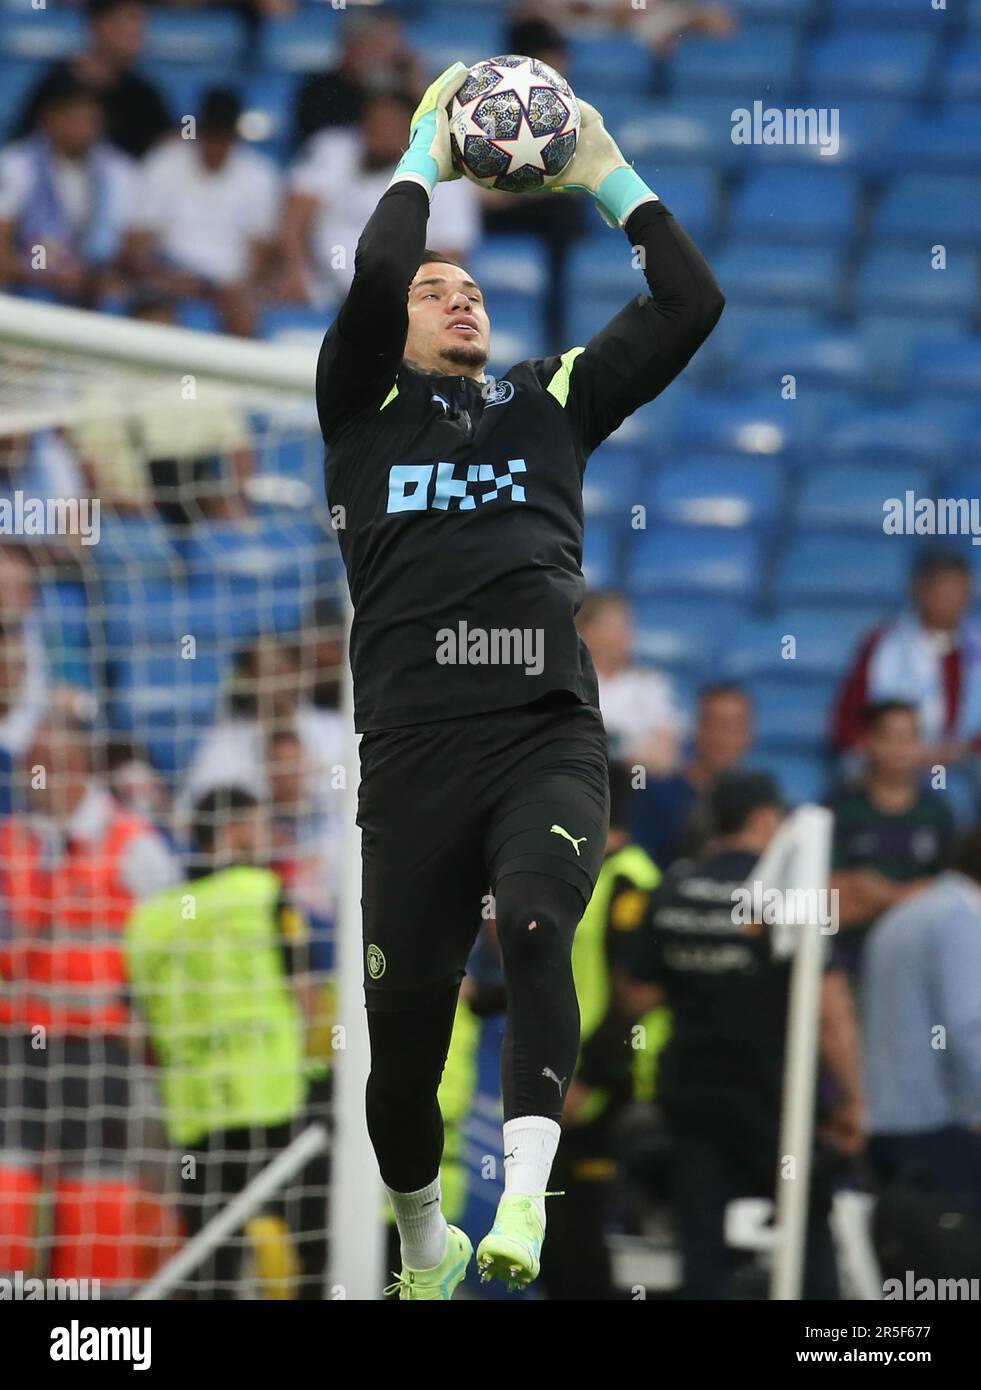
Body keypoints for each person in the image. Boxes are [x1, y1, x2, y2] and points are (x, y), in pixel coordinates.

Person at [317, 61, 723, 1298]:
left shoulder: (550, 400)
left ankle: (528, 1202)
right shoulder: (360, 409)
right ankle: (423, 1237)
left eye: (474, 287)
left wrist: (607, 173)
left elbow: (692, 300)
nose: (459, 297)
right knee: (404, 1053)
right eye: (439, 289)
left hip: (544, 731)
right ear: (393, 327)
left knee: (542, 929)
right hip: (412, 758)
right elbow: (380, 269)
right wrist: (428, 156)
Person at [624, 771, 864, 1299]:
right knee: (807, 1227)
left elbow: (637, 996)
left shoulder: (675, 886)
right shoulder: (793, 895)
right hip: (774, 1095)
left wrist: (706, 974)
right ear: (763, 820)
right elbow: (831, 1012)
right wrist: (851, 1099)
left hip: (691, 1091)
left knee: (701, 1242)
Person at [0, 696, 179, 1288]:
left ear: (80, 763)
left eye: (44, 760)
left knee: (95, 1186)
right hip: (15, 1041)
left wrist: (146, 1019)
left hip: (98, 1048)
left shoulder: (135, 844)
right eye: (29, 762)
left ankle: (91, 1309)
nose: (32, 775)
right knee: (8, 1180)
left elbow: (179, 947)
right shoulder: (10, 841)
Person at [125, 788, 330, 1298]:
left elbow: (139, 1034)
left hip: (196, 1119)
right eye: (259, 823)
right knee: (310, 1251)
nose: (267, 835)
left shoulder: (148, 921)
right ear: (236, 828)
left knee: (210, 1263)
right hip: (276, 1109)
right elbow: (305, 996)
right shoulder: (265, 893)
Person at [539, 760, 662, 1300]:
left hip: (610, 1080)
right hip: (575, 1073)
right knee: (557, 1232)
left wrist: (591, 1076)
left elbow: (634, 996)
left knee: (583, 1232)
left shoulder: (631, 882)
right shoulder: (594, 873)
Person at [861, 829, 981, 1218]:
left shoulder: (911, 911)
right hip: (938, 1123)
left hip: (888, 1118)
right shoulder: (959, 921)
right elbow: (967, 1029)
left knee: (914, 1263)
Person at [279, 89, 479, 312]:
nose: (377, 131)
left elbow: (450, 253)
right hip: (316, 290)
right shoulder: (334, 149)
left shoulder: (442, 178)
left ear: (412, 132)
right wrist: (293, 271)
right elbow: (295, 215)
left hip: (394, 304)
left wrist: (405, 299)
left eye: (389, 125)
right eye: (372, 122)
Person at [122, 88, 280, 338]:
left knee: (244, 312)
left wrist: (238, 287)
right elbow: (137, 243)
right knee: (153, 315)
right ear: (200, 131)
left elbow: (261, 255)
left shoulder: (259, 174)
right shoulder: (164, 162)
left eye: (224, 136)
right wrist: (162, 278)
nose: (217, 145)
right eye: (211, 134)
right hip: (169, 276)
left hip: (229, 286)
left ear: (234, 135)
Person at [828, 700, 955, 978]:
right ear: (868, 742)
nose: (899, 750)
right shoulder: (840, 810)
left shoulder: (938, 814)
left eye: (909, 738)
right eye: (890, 738)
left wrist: (879, 894)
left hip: (921, 960)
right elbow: (830, 898)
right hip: (851, 959)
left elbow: (951, 894)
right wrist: (913, 895)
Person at [834, 549, 981, 768]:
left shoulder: (975, 645)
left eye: (958, 589)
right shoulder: (883, 645)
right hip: (893, 760)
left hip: (964, 762)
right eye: (941, 588)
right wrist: (901, 750)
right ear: (920, 590)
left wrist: (961, 751)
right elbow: (847, 726)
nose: (950, 599)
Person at [0, 75, 136, 307]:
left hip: (95, 294)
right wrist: (40, 274)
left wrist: (98, 278)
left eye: (93, 120)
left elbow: (131, 252)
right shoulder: (16, 165)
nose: (88, 129)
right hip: (29, 288)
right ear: (50, 119)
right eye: (78, 119)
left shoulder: (118, 170)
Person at [16, 0, 172, 160]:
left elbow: (164, 149)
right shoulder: (55, 84)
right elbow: (23, 146)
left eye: (141, 25)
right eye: (127, 23)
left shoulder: (145, 94)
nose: (136, 35)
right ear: (96, 25)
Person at [631, 682, 754, 870]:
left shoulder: (762, 803)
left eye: (733, 727)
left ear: (749, 734)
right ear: (696, 727)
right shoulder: (657, 796)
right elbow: (639, 868)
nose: (723, 737)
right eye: (713, 724)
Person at [577, 589, 686, 772]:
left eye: (628, 626)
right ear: (587, 631)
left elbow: (665, 759)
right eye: (615, 626)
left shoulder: (650, 685)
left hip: (635, 782)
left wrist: (620, 753)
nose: (626, 635)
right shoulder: (565, 684)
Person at [292, 6, 422, 149]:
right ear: (352, 46)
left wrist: (415, 86)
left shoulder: (399, 90)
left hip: (387, 165)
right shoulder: (320, 90)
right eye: (377, 45)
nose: (390, 55)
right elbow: (319, 141)